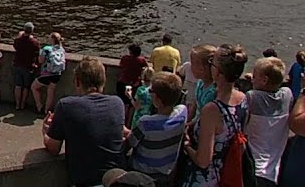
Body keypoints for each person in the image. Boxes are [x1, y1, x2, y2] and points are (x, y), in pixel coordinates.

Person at [42, 57, 124, 187]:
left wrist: (46, 131)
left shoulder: (66, 105)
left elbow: (53, 148)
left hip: (85, 181)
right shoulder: (117, 103)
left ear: (77, 82)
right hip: (115, 180)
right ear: (103, 81)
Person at [178, 44, 249, 187]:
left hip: (205, 179)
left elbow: (203, 160)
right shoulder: (243, 99)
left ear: (217, 72)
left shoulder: (211, 110)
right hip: (227, 174)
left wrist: (185, 145)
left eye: (212, 63)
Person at [124, 72, 187, 183]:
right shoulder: (182, 112)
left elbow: (129, 144)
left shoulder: (146, 122)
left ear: (157, 99)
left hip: (142, 174)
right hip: (166, 173)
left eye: (150, 91)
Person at [245, 56, 292, 186]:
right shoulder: (287, 95)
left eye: (255, 76)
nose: (252, 79)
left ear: (264, 80)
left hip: (252, 167)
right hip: (272, 173)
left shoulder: (252, 97)